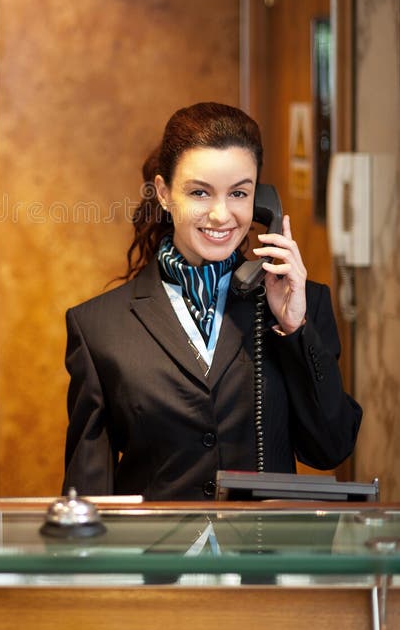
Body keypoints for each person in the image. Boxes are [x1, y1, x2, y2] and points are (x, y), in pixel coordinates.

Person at [62, 102, 362, 501]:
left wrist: (294, 329)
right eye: (200, 192)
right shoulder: (99, 326)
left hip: (262, 558)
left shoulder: (303, 306)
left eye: (239, 192)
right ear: (165, 193)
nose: (221, 215)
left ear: (261, 200)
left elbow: (331, 448)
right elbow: (86, 497)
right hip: (157, 560)